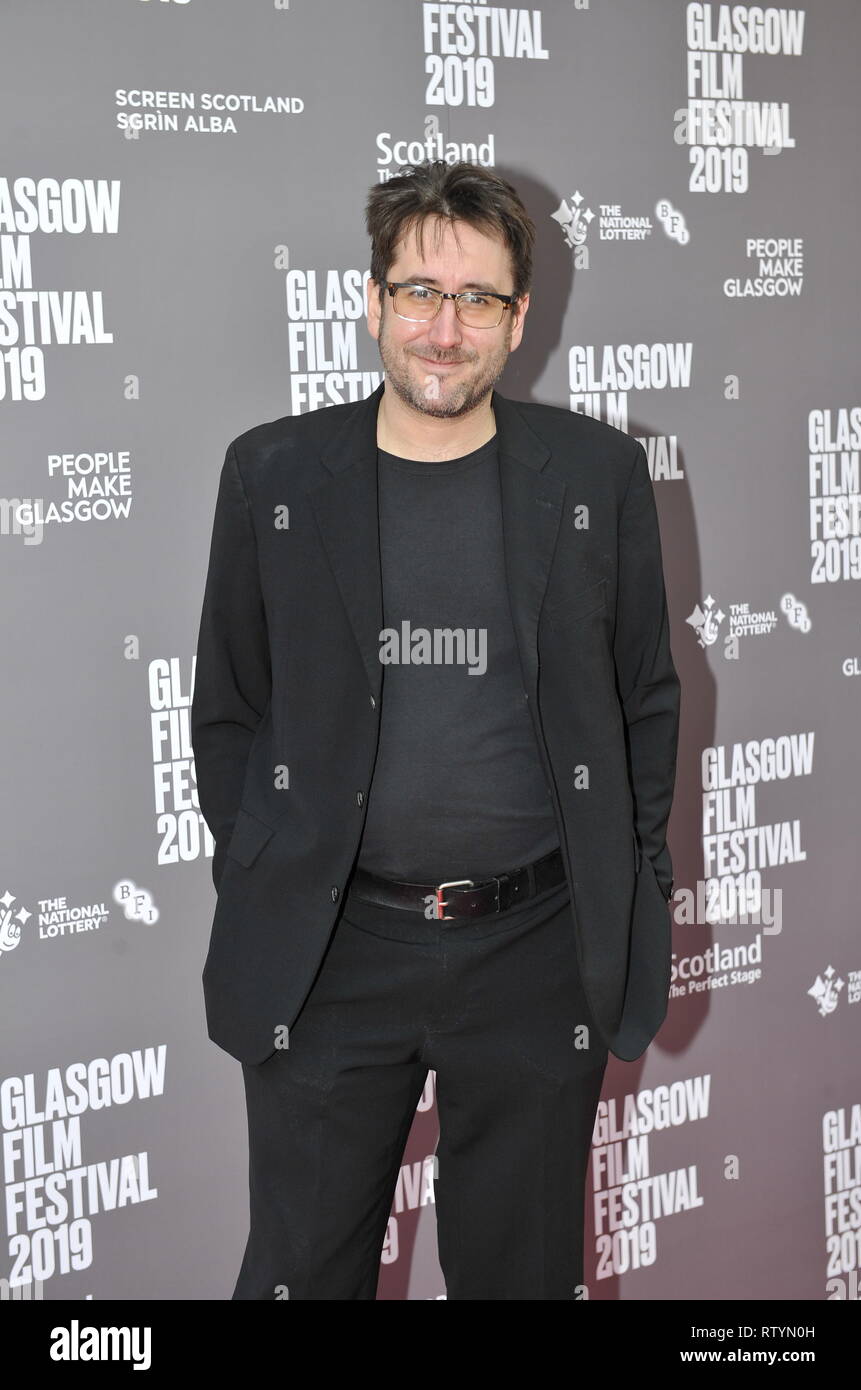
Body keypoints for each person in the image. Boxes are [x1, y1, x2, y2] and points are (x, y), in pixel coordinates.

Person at [190, 160, 680, 1300]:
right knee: (300, 1275)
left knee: (519, 1279)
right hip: (329, 953)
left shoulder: (598, 476)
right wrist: (274, 862)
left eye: (477, 299)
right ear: (371, 302)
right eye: (418, 291)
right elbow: (228, 708)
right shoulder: (273, 472)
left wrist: (627, 885)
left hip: (536, 951)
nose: (443, 329)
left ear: (519, 319)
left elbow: (643, 700)